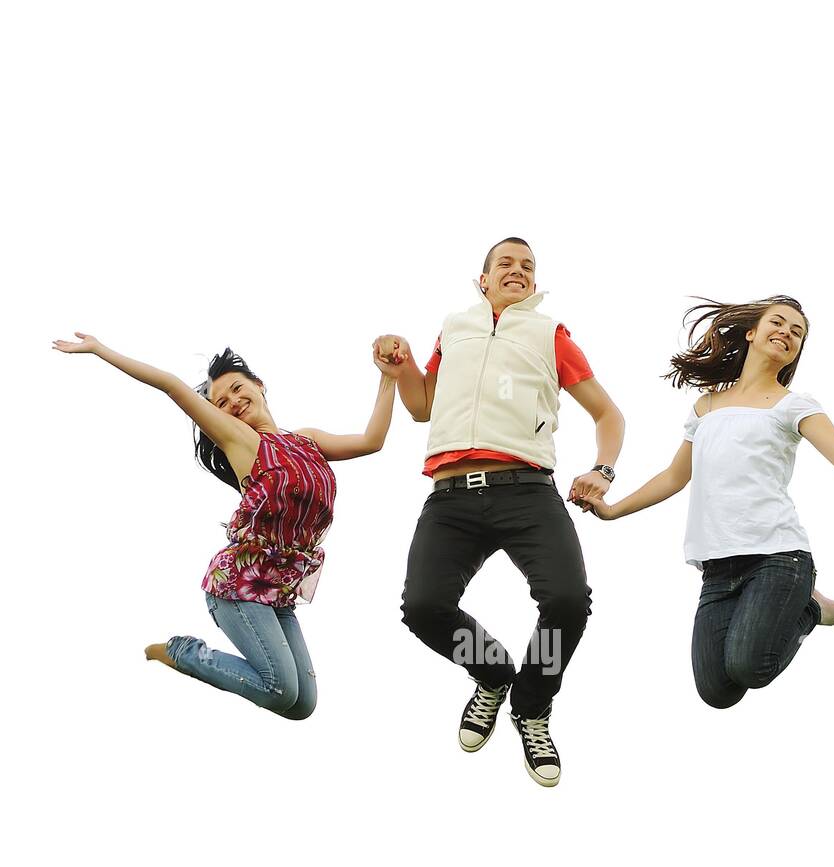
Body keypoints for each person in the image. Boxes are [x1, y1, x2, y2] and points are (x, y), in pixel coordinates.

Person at [577, 296, 834, 708]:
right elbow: (675, 476)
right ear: (752, 333)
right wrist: (614, 510)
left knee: (750, 668)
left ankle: (810, 608)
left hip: (777, 557)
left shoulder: (793, 406)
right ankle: (806, 602)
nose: (786, 333)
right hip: (717, 567)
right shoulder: (706, 406)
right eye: (778, 323)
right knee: (718, 692)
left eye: (797, 332)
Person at [373, 237, 624, 785]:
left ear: (534, 283)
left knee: (567, 602)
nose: (518, 271)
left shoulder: (548, 333)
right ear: (481, 281)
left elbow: (608, 414)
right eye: (505, 264)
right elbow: (421, 407)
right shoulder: (455, 328)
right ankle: (491, 672)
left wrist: (601, 470)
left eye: (528, 267)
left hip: (526, 490)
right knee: (422, 607)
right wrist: (401, 364)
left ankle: (532, 704)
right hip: (451, 498)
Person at [52, 334, 396, 717]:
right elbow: (170, 384)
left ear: (259, 385)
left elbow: (371, 440)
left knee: (303, 705)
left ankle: (197, 656)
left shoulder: (307, 440)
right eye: (221, 402)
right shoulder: (241, 440)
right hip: (238, 586)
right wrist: (100, 350)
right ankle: (182, 652)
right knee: (281, 690)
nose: (233, 402)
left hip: (278, 589)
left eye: (238, 388)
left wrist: (389, 375)